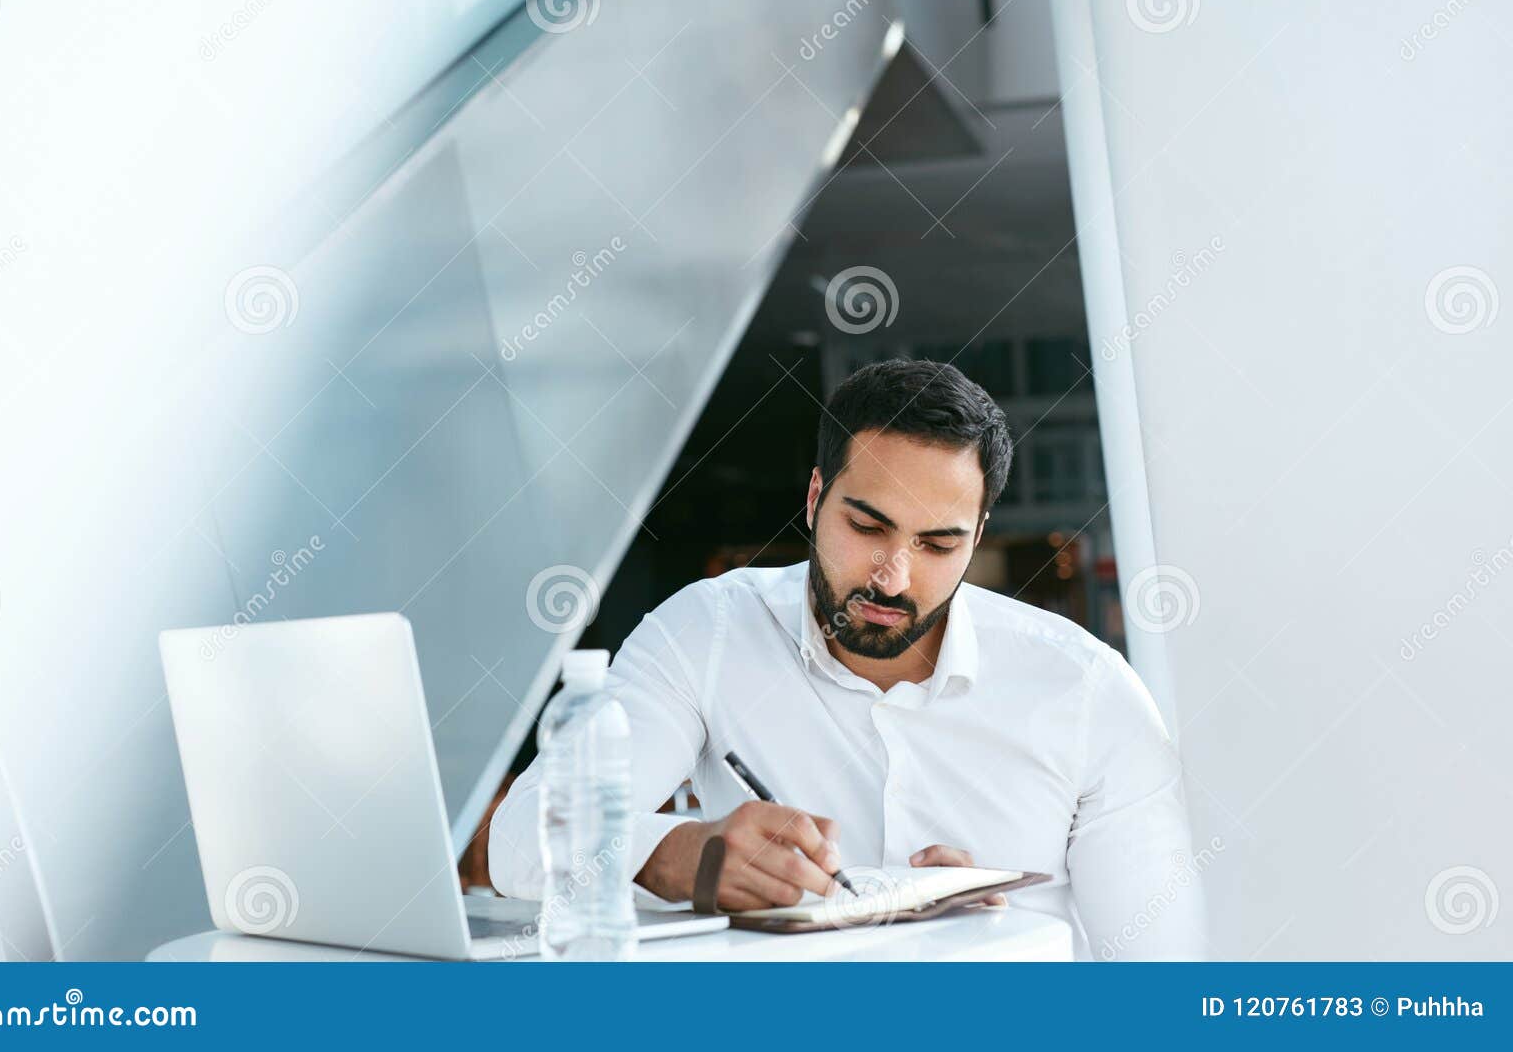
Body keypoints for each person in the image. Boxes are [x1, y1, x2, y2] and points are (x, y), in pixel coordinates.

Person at [490, 358, 1204, 959]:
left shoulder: (1086, 688)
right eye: (868, 525)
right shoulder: (706, 632)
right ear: (814, 498)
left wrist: (1008, 944)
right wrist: (688, 856)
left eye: (938, 544)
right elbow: (520, 839)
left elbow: (1160, 986)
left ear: (979, 531)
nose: (893, 576)